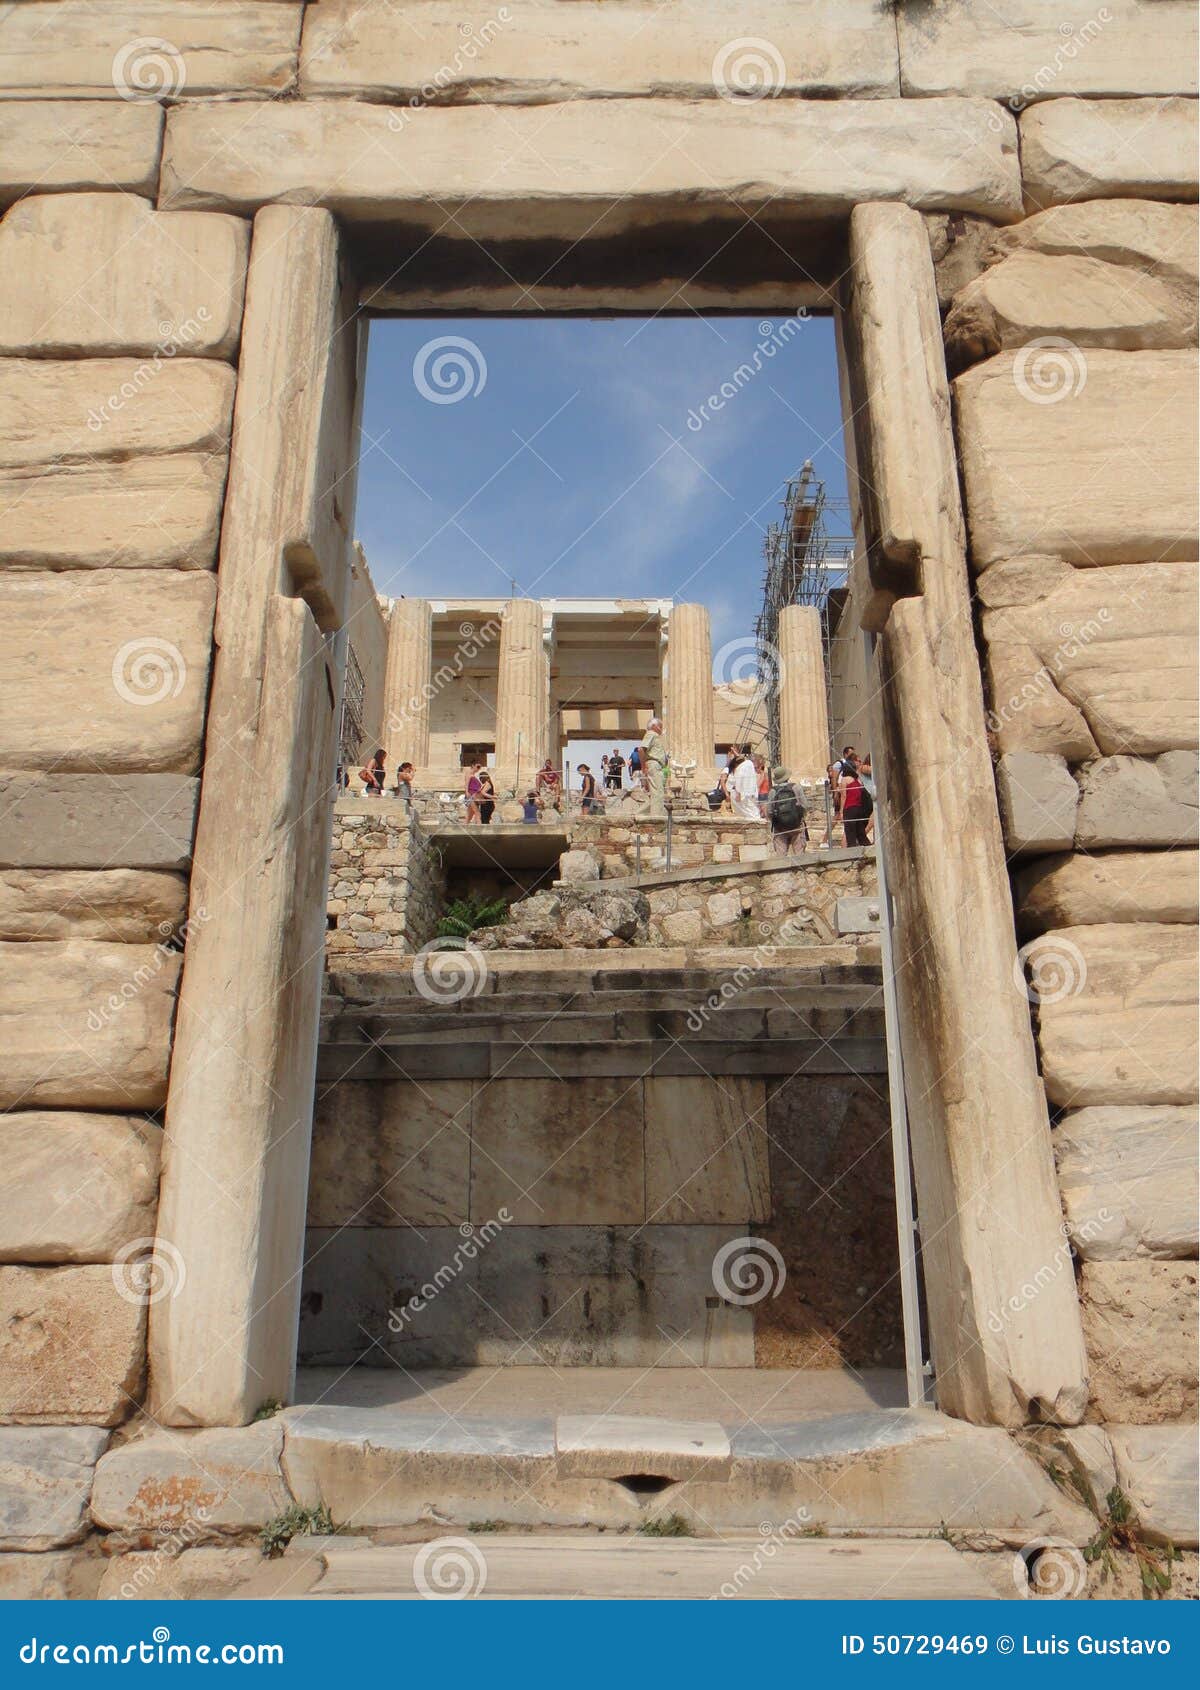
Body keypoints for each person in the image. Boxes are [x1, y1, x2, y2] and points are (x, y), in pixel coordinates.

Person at [766, 765, 808, 854]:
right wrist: (800, 817)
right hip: (797, 826)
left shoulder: (773, 791)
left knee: (781, 857)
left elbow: (769, 811)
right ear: (787, 777)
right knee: (800, 855)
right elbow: (805, 805)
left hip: (780, 828)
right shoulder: (796, 787)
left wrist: (776, 820)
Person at [840, 757, 872, 847]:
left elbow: (843, 796)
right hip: (858, 808)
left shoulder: (845, 779)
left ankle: (852, 852)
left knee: (850, 833)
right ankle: (868, 848)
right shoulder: (858, 779)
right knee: (861, 833)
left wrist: (841, 811)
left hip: (849, 808)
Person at [640, 716, 668, 816]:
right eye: (660, 726)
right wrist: (643, 767)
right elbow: (641, 749)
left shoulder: (655, 736)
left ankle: (640, 814)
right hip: (654, 764)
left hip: (657, 766)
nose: (661, 729)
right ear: (654, 726)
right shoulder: (651, 734)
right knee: (657, 792)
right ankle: (656, 817)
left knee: (656, 792)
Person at [728, 748, 762, 821]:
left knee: (747, 813)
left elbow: (738, 781)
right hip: (745, 794)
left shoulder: (743, 767)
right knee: (752, 813)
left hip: (742, 793)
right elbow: (739, 780)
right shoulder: (747, 765)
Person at [754, 754, 770, 819]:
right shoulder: (764, 773)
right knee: (762, 812)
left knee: (763, 811)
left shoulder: (763, 774)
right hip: (764, 793)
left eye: (756, 768)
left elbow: (758, 785)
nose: (755, 770)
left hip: (763, 794)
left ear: (760, 767)